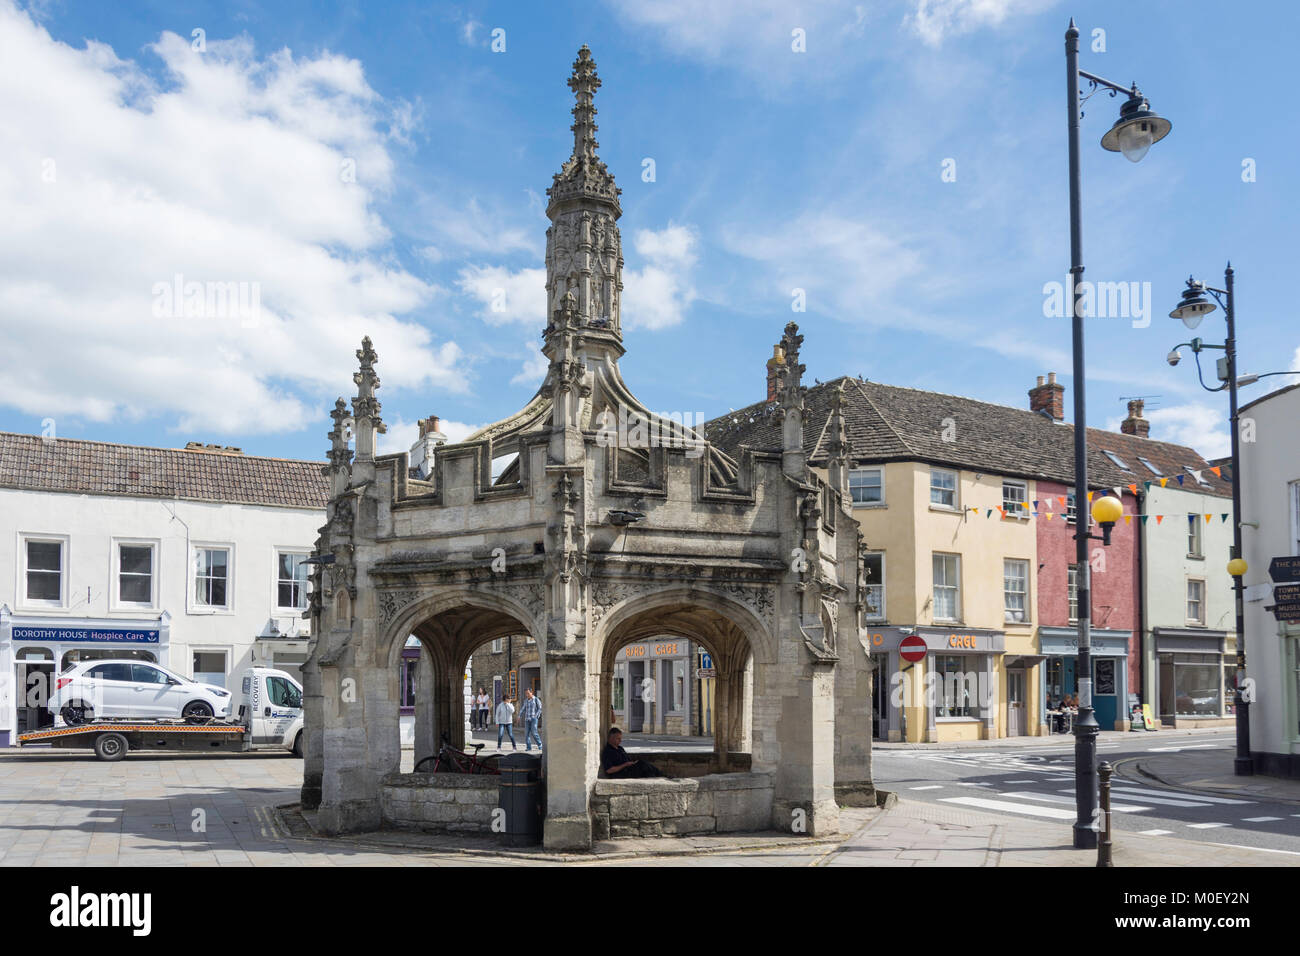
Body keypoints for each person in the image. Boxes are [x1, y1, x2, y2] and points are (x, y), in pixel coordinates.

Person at [600, 727, 665, 778]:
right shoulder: (608, 752)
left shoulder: (620, 748)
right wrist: (625, 765)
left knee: (645, 767)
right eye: (618, 739)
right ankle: (661, 776)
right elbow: (609, 770)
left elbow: (628, 760)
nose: (620, 741)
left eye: (620, 738)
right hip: (621, 774)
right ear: (611, 738)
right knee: (643, 765)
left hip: (629, 770)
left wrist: (632, 763)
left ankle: (661, 776)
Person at [520, 687, 543, 751]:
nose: (527, 695)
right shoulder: (526, 700)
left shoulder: (536, 699)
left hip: (534, 719)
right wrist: (519, 715)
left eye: (528, 693)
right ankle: (529, 747)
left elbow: (540, 708)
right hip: (527, 719)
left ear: (531, 692)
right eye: (526, 694)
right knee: (526, 734)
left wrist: (536, 716)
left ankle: (540, 744)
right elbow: (523, 708)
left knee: (534, 732)